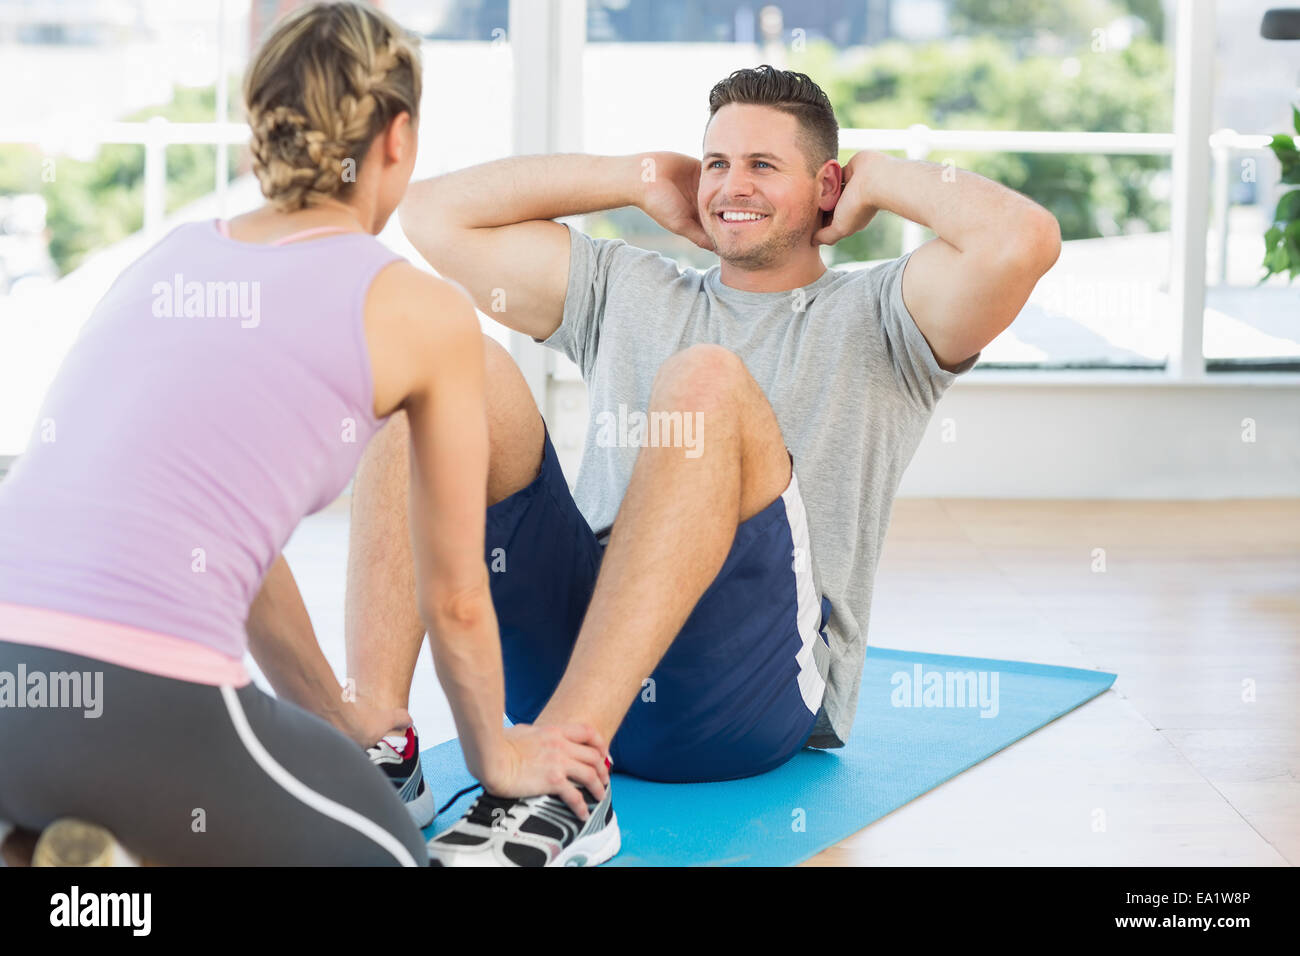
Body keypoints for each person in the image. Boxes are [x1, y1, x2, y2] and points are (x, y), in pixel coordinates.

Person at [339, 64, 1060, 866]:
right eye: (716, 163)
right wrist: (636, 178)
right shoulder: (632, 288)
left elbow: (1023, 240)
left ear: (825, 184)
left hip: (741, 694)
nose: (730, 185)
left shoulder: (885, 315)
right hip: (578, 647)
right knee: (438, 360)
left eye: (762, 165)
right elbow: (434, 216)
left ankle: (563, 783)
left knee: (704, 378)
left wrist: (879, 178)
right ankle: (379, 743)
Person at [0, 0, 609, 867]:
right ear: (396, 138)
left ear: (262, 132)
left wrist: (336, 711)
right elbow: (456, 593)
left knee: (123, 833)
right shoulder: (418, 309)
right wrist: (497, 756)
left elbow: (213, 544)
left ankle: (72, 855)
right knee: (395, 856)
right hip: (144, 702)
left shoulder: (165, 262)